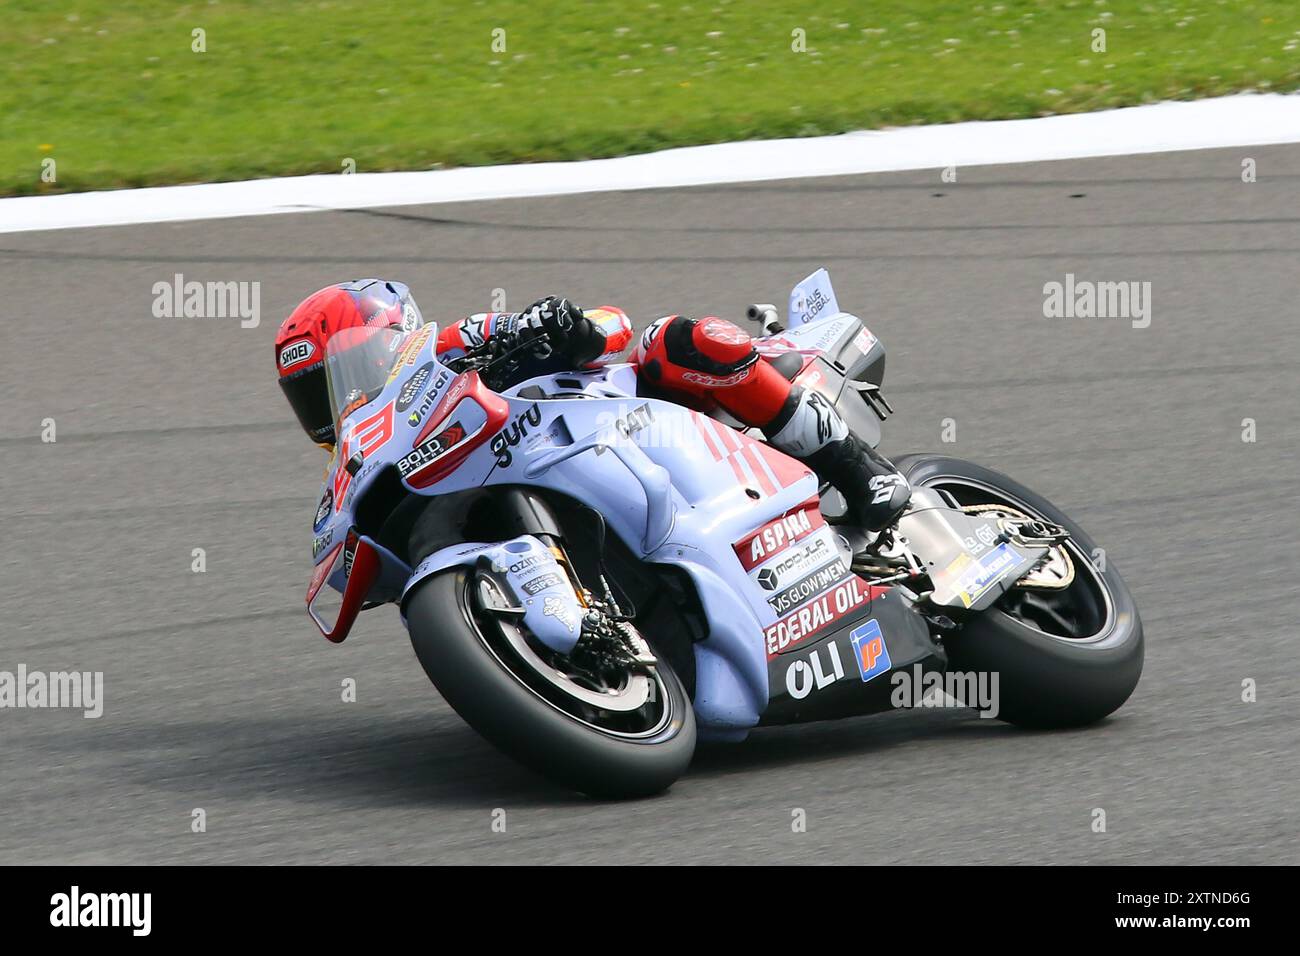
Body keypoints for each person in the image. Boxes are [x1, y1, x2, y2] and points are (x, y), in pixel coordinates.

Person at [275, 280, 910, 531]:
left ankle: (859, 467)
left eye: (342, 373)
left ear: (389, 336)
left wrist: (565, 327)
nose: (337, 405)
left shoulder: (453, 345)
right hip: (553, 476)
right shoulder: (364, 461)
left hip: (625, 417)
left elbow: (612, 324)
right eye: (314, 398)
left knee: (677, 338)